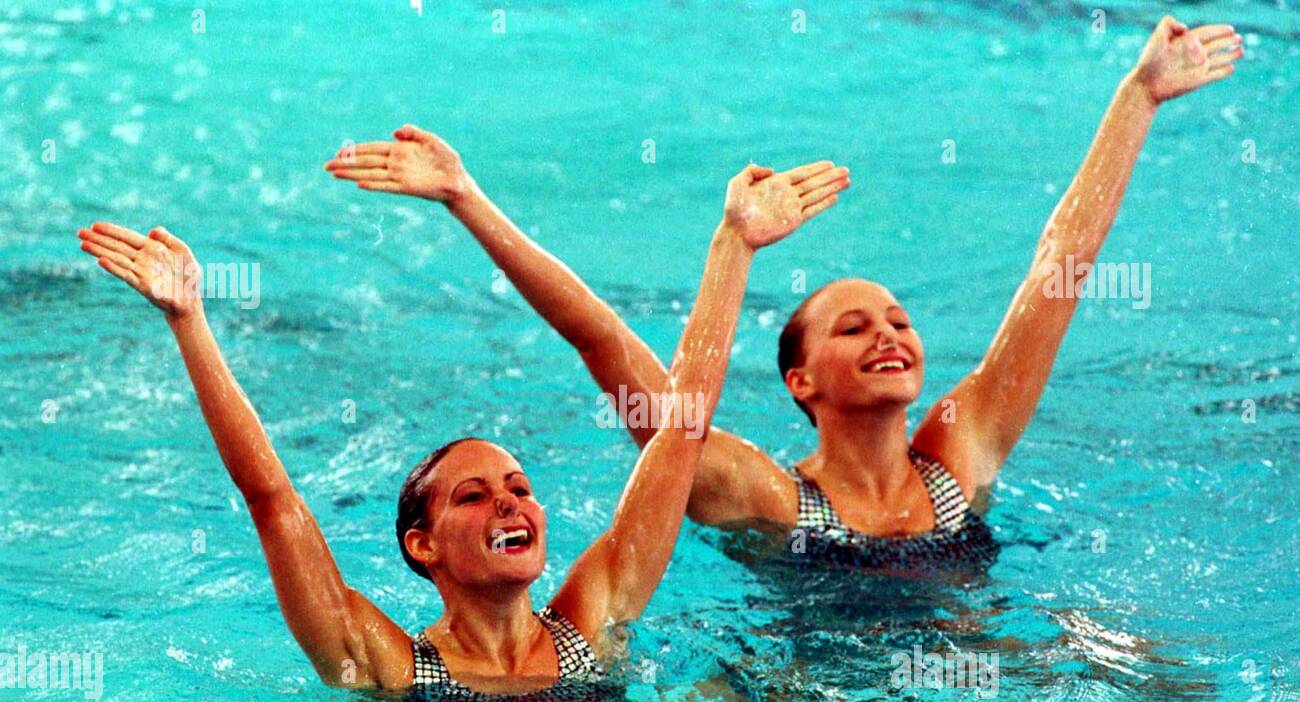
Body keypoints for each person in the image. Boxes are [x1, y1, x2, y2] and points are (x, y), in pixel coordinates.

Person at [325, 16, 1242, 579]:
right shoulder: (761, 493)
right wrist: (467, 198)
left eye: (899, 320)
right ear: (801, 381)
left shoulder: (961, 454)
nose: (888, 335)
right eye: (854, 327)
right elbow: (601, 342)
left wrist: (1139, 98)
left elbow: (1057, 272)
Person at [73, 158, 848, 702]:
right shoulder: (387, 663)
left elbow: (679, 431)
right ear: (423, 545)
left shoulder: (592, 621)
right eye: (472, 496)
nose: (510, 505)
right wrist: (190, 319)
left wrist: (733, 243)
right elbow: (271, 499)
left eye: (519, 488)